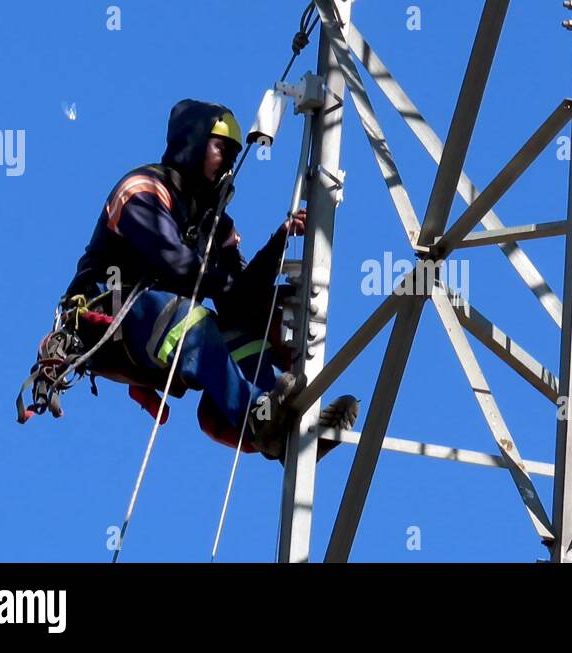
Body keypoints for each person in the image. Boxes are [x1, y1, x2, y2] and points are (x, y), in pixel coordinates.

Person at [51, 98, 356, 462]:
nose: (227, 161)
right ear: (192, 142)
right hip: (108, 317)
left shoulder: (214, 223)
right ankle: (259, 418)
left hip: (156, 331)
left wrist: (280, 241)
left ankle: (279, 425)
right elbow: (176, 263)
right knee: (190, 320)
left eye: (232, 153)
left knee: (250, 325)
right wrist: (225, 274)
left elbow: (237, 298)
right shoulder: (142, 190)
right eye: (220, 148)